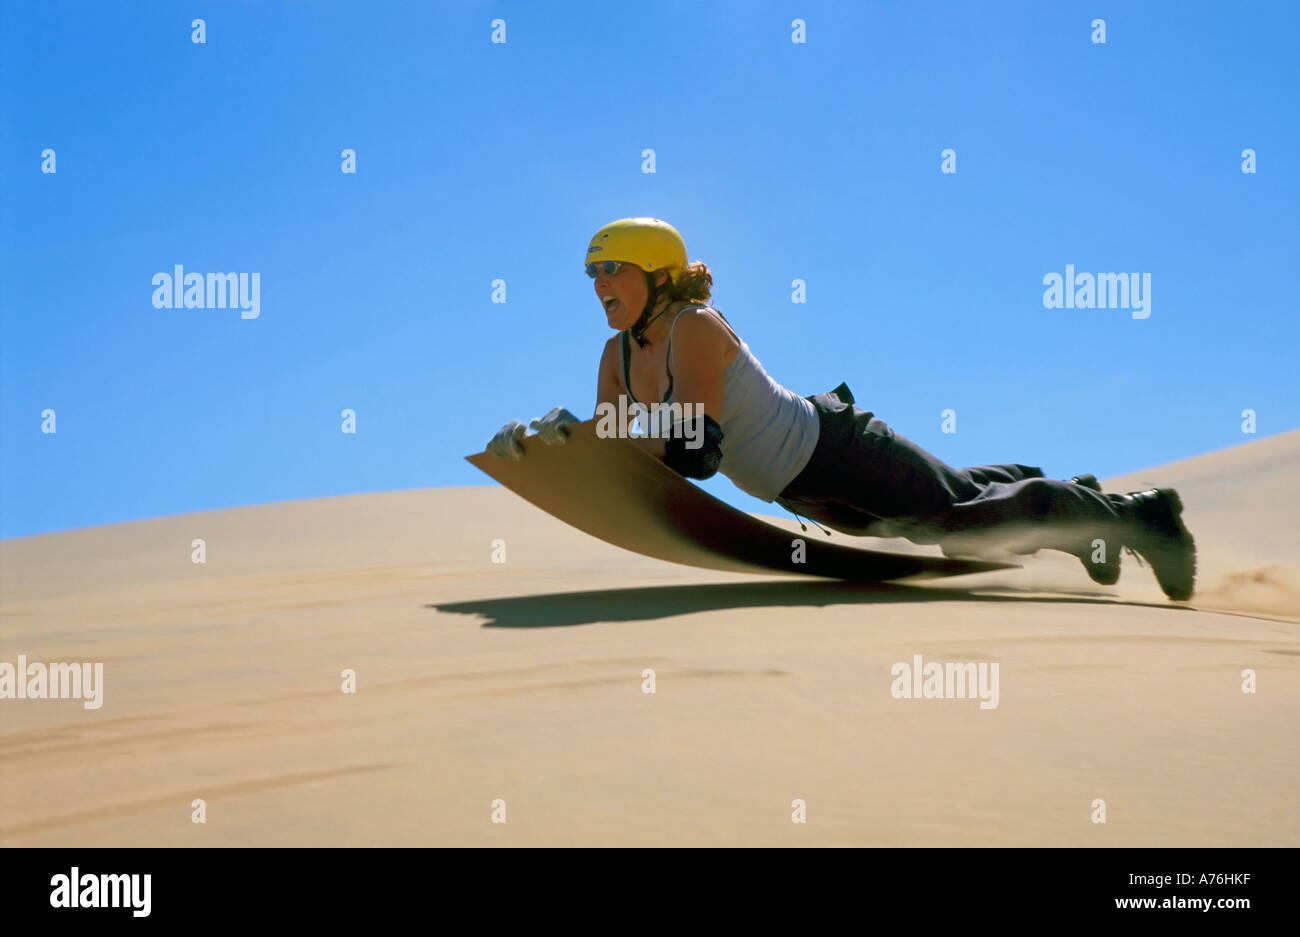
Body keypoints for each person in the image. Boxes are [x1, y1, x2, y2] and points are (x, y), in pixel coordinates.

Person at [486, 217, 1196, 600]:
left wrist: (602, 435)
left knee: (962, 525)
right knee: (956, 513)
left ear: (658, 275)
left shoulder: (695, 330)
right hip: (802, 489)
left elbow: (695, 450)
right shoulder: (615, 357)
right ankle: (1081, 507)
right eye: (591, 272)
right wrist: (564, 440)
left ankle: (1141, 517)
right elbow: (623, 448)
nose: (598, 283)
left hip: (839, 450)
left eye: (611, 269)